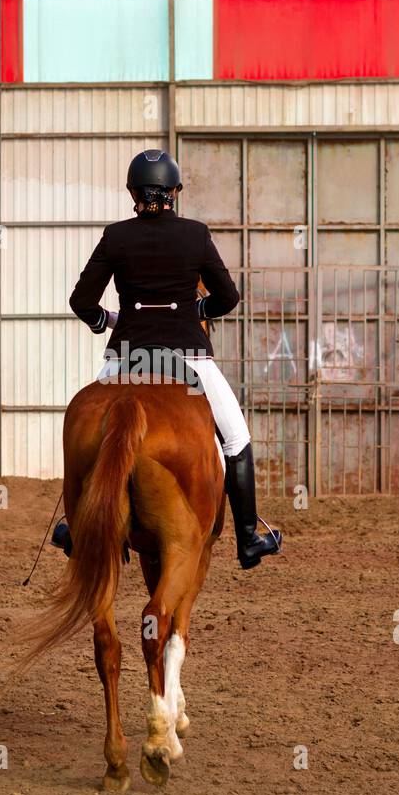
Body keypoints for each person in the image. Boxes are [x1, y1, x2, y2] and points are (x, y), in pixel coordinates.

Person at [51, 149, 282, 570]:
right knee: (235, 438)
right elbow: (227, 298)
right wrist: (195, 312)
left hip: (126, 355)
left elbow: (81, 300)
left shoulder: (116, 236)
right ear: (174, 192)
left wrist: (108, 319)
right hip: (188, 355)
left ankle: (75, 524)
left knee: (88, 425)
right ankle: (249, 537)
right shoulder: (195, 234)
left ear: (132, 192)